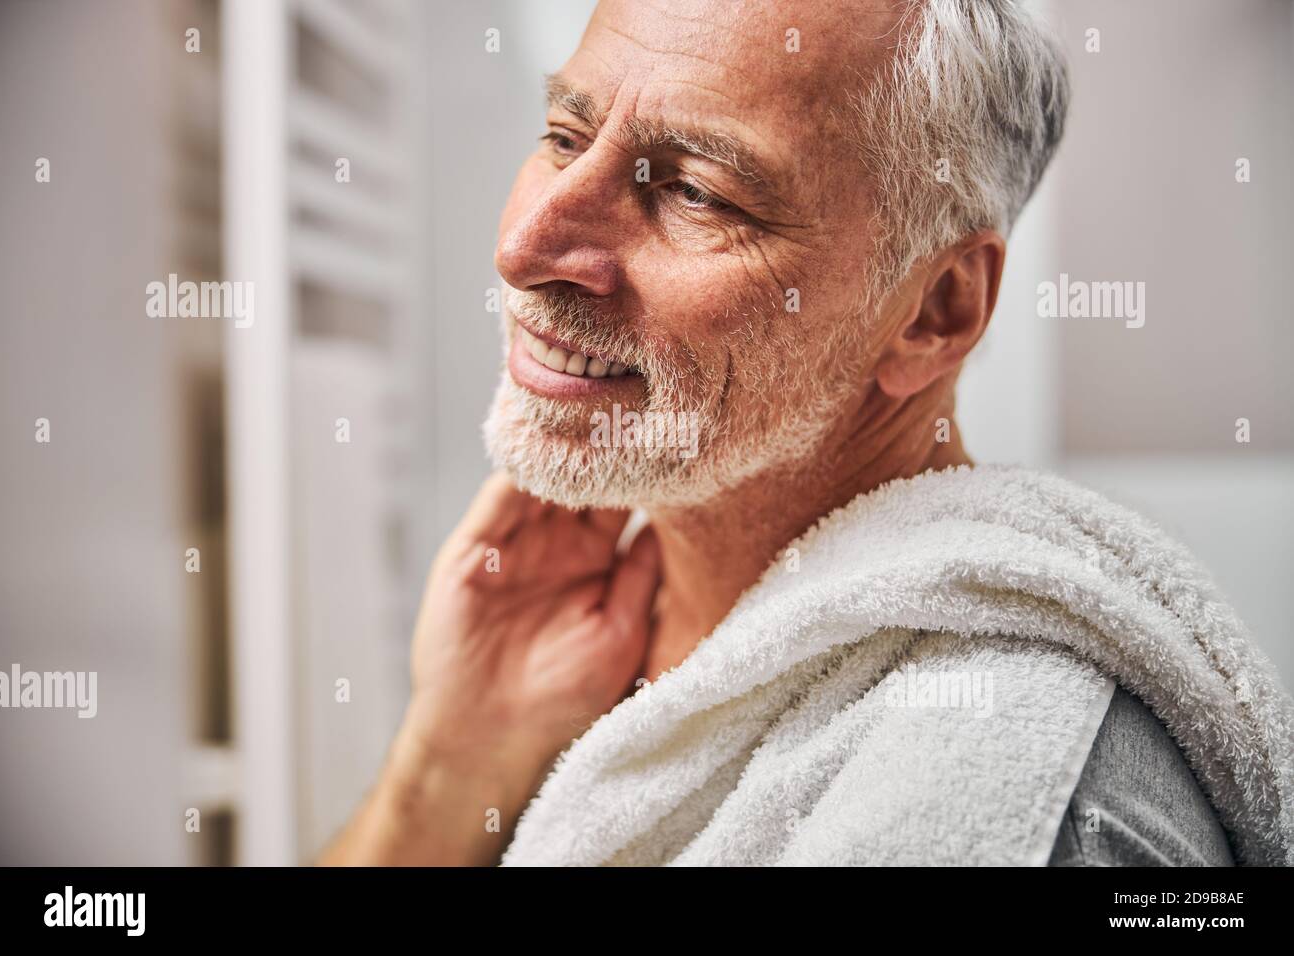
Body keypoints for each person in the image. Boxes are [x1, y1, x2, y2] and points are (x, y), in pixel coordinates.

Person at [319, 0, 1294, 866]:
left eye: (695, 190)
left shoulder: (1024, 800)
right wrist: (448, 766)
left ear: (934, 310)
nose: (525, 247)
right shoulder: (572, 660)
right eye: (566, 136)